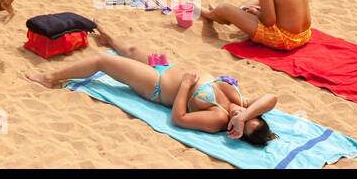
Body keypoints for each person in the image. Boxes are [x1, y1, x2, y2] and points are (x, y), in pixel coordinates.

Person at [24, 26, 277, 145]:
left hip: (155, 85)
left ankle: (50, 78)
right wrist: (245, 114)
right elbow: (272, 97)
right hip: (168, 67)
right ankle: (111, 38)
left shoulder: (219, 119)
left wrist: (186, 86)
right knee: (131, 49)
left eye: (239, 125)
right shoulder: (242, 103)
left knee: (104, 61)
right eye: (246, 117)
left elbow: (178, 118)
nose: (237, 117)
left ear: (235, 131)